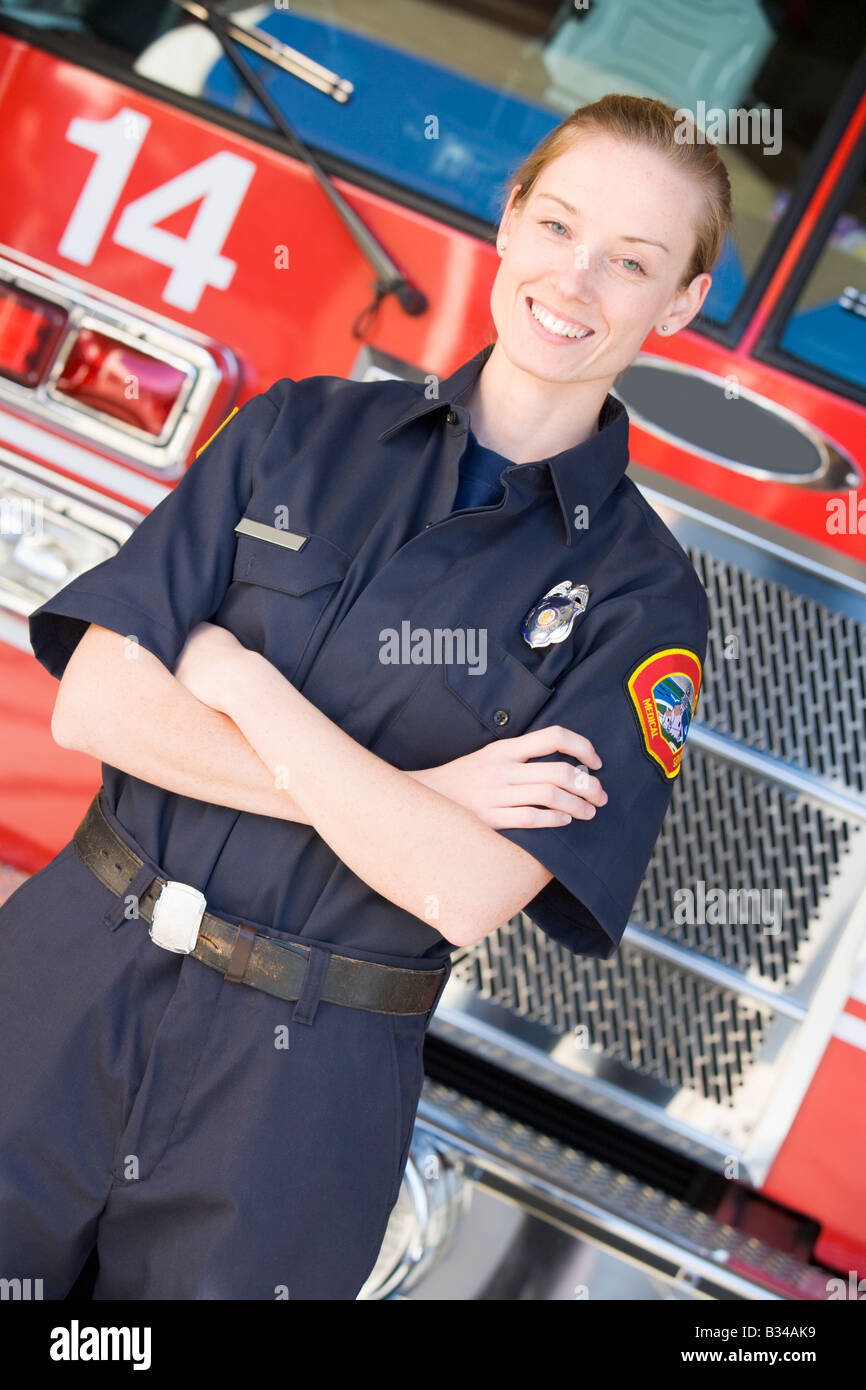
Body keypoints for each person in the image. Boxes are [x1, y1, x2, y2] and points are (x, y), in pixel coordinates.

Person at [0, 93, 729, 1300]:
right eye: (557, 226)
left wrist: (236, 681)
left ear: (681, 302)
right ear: (508, 220)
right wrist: (414, 799)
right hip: (67, 971)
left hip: (297, 1097)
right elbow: (95, 706)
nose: (576, 280)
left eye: (633, 262)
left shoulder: (643, 608)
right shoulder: (295, 427)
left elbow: (463, 884)